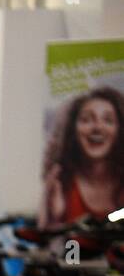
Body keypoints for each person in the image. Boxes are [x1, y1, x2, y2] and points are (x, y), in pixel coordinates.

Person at [39, 86, 124, 227]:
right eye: (86, 120)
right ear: (72, 130)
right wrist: (55, 217)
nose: (97, 127)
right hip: (73, 250)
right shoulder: (59, 179)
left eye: (108, 120)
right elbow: (45, 238)